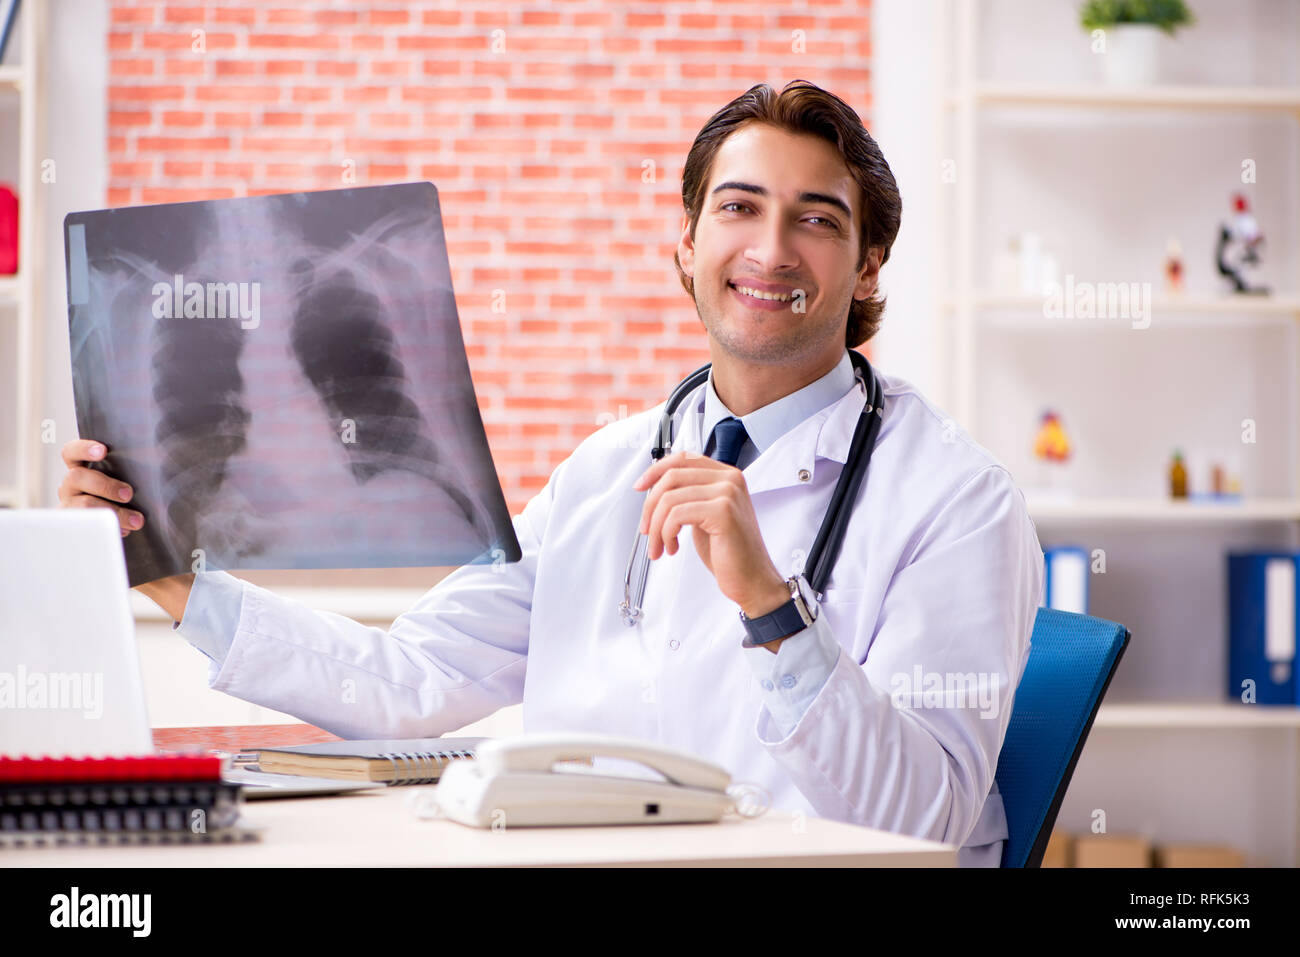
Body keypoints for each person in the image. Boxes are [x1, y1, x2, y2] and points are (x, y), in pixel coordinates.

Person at [58, 80, 1044, 867]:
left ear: (870, 265)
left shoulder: (955, 500)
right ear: (686, 245)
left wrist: (771, 608)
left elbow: (925, 818)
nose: (769, 248)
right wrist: (174, 579)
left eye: (817, 220)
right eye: (738, 208)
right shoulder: (609, 468)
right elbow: (418, 677)